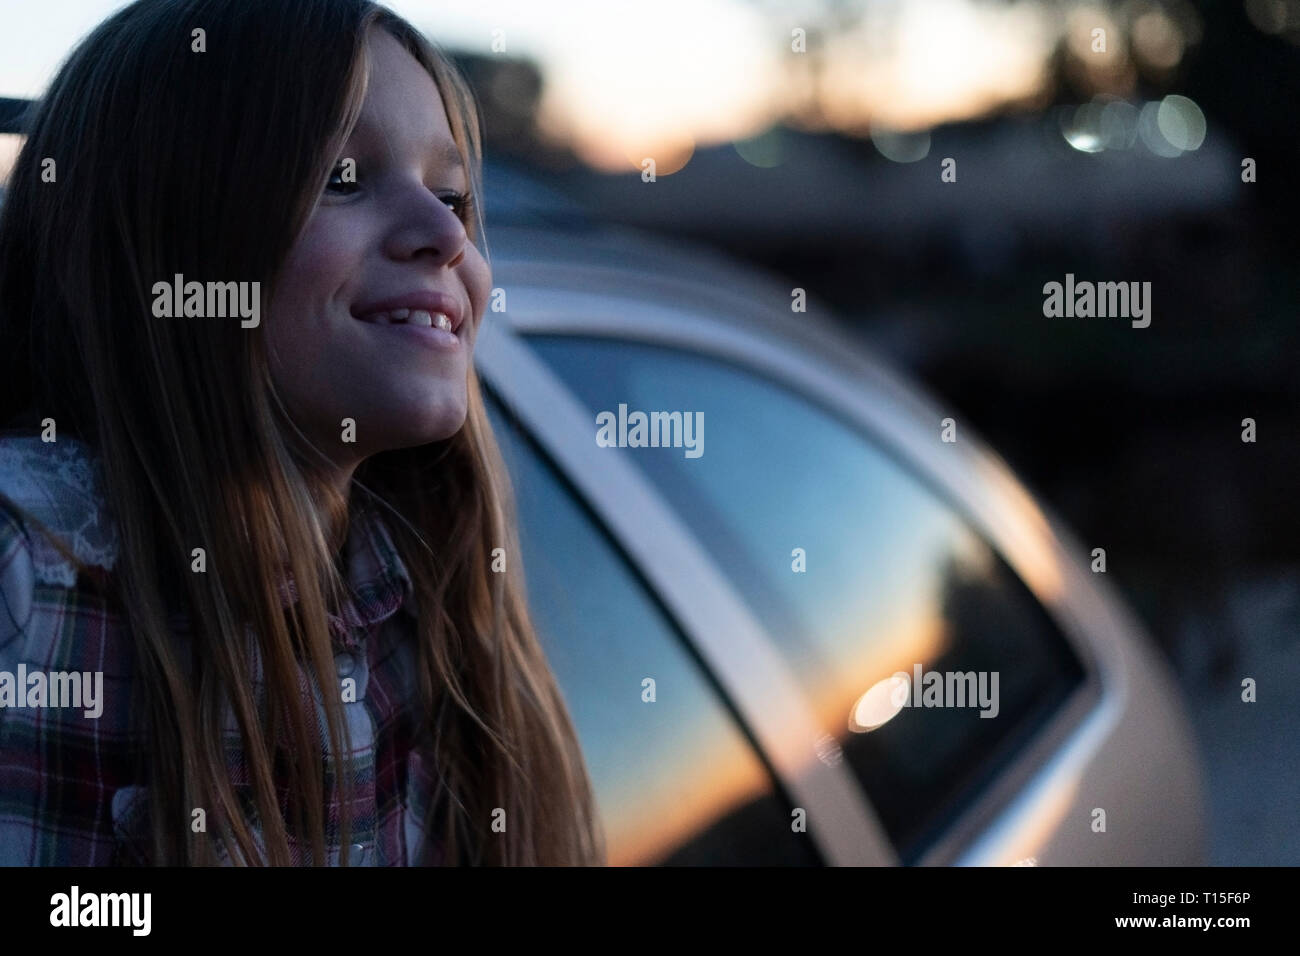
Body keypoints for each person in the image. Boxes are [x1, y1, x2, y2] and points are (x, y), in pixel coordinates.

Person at [0, 0, 605, 866]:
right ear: (162, 242)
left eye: (453, 194)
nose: (444, 236)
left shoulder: (418, 601)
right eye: (344, 179)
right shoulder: (27, 575)